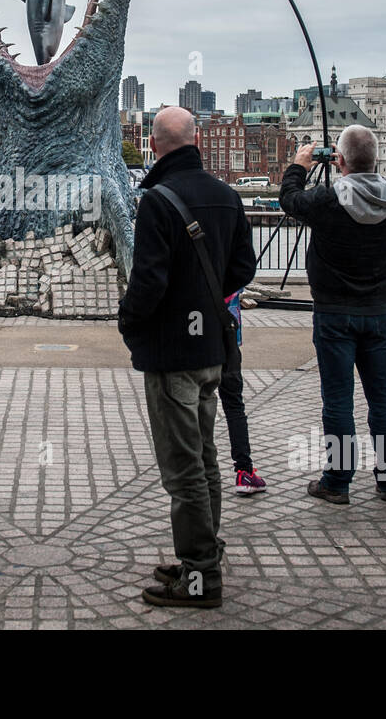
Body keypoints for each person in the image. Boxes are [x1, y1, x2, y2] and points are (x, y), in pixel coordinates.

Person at [118, 107, 255, 610]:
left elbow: (148, 282)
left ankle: (199, 577)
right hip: (213, 350)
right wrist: (206, 297)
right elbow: (244, 266)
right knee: (206, 457)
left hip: (172, 352)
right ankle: (205, 556)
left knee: (182, 469)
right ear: (195, 140)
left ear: (154, 146)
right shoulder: (226, 195)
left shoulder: (158, 200)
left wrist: (129, 322)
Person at [280, 126, 386, 505]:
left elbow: (289, 200)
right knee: (383, 399)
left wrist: (299, 165)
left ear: (338, 161)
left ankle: (337, 481)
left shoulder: (328, 201)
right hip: (377, 310)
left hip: (334, 313)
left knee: (338, 400)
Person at [218, 289, 267, 495]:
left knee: (192, 403)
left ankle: (194, 472)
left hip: (193, 337)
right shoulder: (226, 257)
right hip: (227, 337)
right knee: (234, 405)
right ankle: (244, 471)